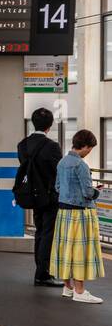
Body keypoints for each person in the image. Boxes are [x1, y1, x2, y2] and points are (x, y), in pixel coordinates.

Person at [50, 130, 104, 303]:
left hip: (63, 212)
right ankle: (80, 292)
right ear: (85, 146)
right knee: (80, 251)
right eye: (90, 149)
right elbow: (88, 192)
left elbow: (58, 187)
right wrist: (97, 192)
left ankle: (68, 288)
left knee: (66, 250)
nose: (90, 152)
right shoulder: (81, 165)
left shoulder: (62, 162)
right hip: (80, 213)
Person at [16, 108, 65, 288]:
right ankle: (43, 274)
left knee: (39, 231)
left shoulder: (22, 145)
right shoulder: (52, 146)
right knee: (48, 234)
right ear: (49, 126)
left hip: (32, 195)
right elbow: (58, 172)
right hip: (50, 197)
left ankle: (41, 271)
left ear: (33, 123)